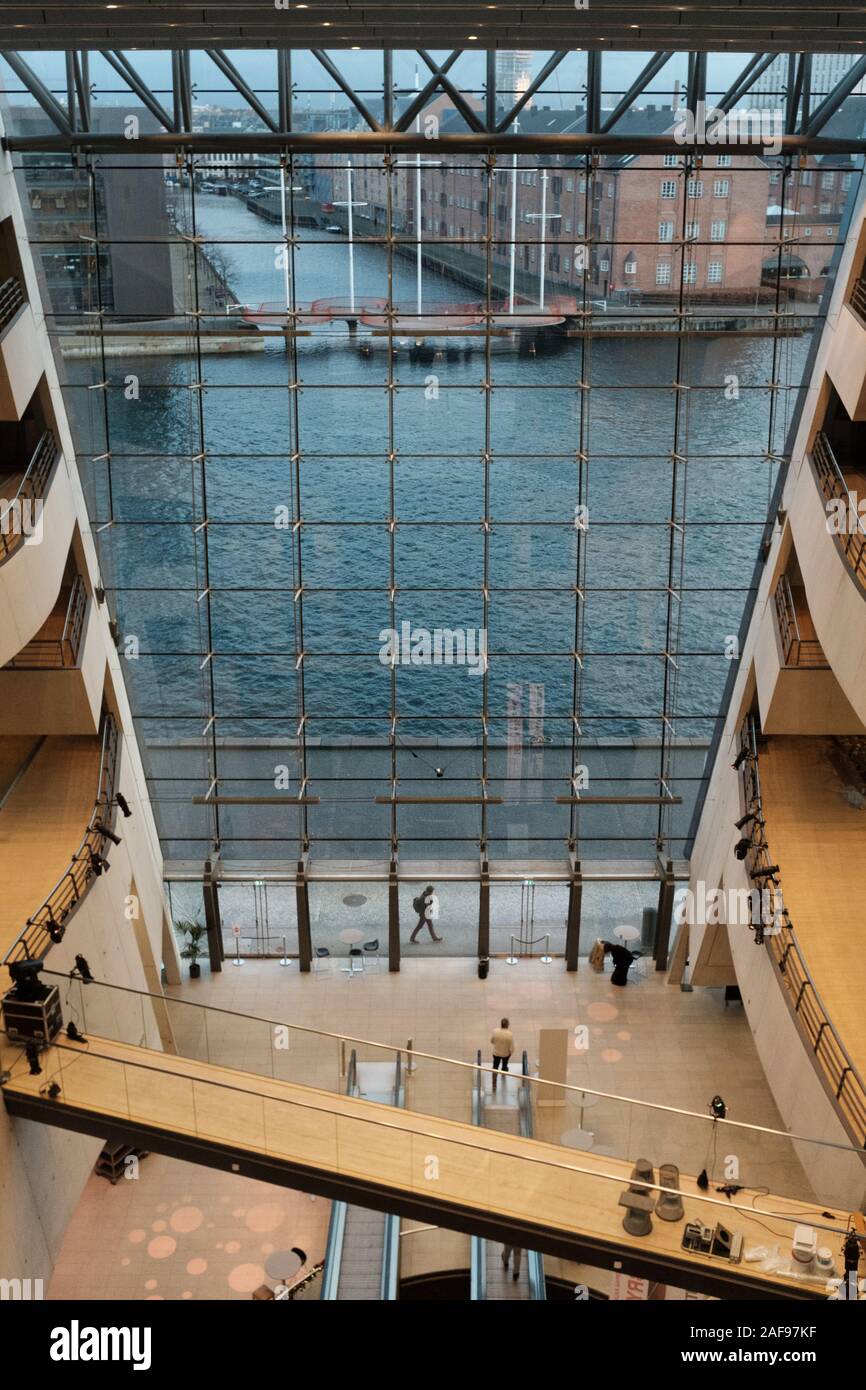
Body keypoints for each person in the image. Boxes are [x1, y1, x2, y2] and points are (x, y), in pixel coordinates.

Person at [490, 1016, 514, 1090]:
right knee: (504, 1064)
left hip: (496, 1053)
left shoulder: (495, 1031)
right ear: (507, 1025)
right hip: (505, 1054)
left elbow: (492, 1041)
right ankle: (503, 1072)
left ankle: (494, 1084)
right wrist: (511, 1052)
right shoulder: (510, 1034)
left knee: (495, 1066)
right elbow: (511, 1047)